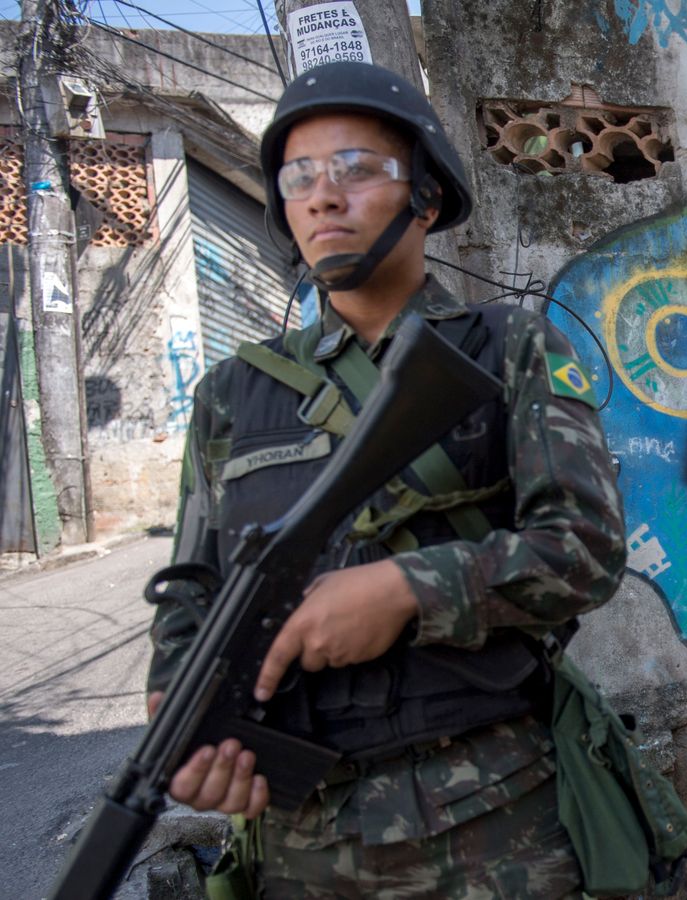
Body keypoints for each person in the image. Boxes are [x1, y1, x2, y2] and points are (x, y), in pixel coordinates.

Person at [144, 61, 626, 898]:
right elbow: (191, 590)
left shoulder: (508, 347)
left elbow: (584, 548)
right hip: (301, 841)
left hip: (498, 820)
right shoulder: (230, 394)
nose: (324, 196)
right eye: (300, 177)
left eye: (357, 169)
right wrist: (182, 722)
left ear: (426, 199)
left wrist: (408, 589)